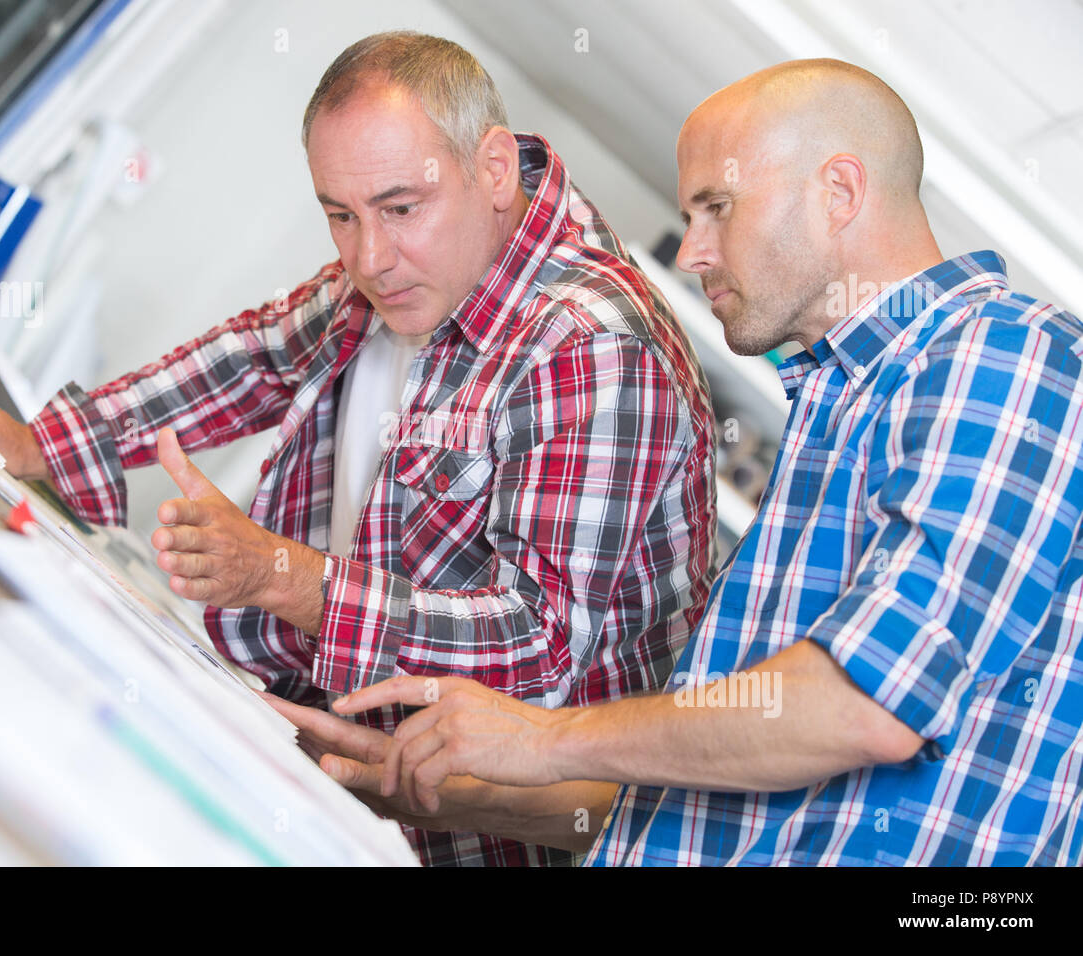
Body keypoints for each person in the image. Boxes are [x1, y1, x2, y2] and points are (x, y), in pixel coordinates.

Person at [270, 57, 1083, 866]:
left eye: (717, 207)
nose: (692, 252)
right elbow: (695, 809)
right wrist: (409, 777)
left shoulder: (1007, 355)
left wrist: (552, 736)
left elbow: (864, 703)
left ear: (839, 191)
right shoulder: (839, 411)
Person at [0, 31, 717, 866]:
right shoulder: (416, 266)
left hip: (477, 846)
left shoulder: (594, 347)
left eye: (398, 208)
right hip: (332, 778)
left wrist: (279, 577)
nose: (368, 258)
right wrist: (43, 443)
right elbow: (257, 356)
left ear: (494, 168)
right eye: (340, 215)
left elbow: (537, 648)